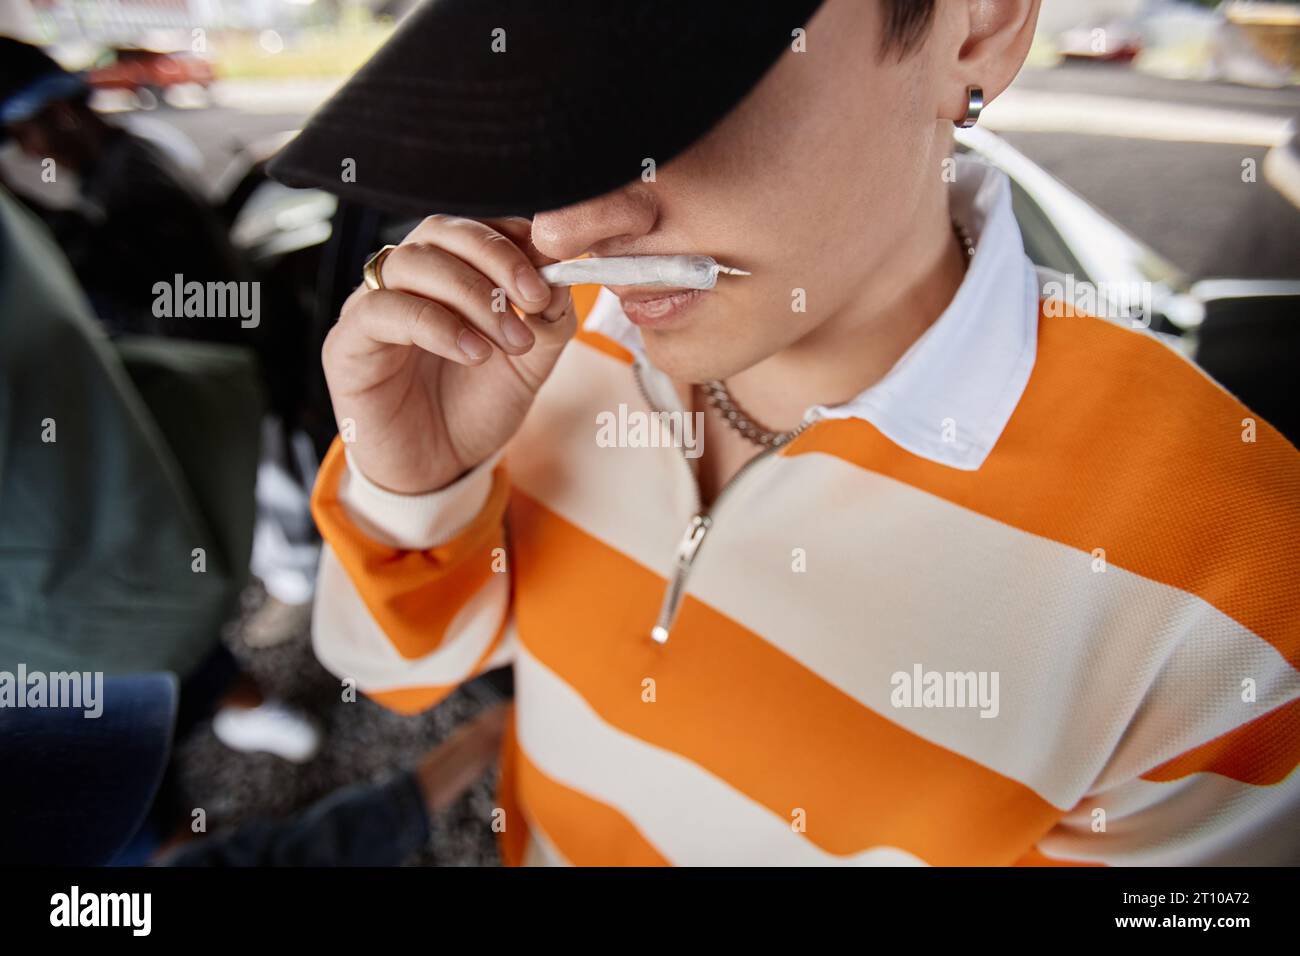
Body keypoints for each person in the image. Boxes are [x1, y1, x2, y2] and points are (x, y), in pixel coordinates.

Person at [270, 0, 1300, 865]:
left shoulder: (1241, 579)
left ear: (976, 29)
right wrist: (414, 486)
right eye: (547, 107)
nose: (567, 228)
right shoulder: (538, 347)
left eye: (671, 96)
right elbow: (397, 673)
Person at [0, 36, 250, 338]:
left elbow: (188, 304)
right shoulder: (121, 162)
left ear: (60, 113)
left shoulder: (134, 182)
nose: (29, 152)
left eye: (24, 134)